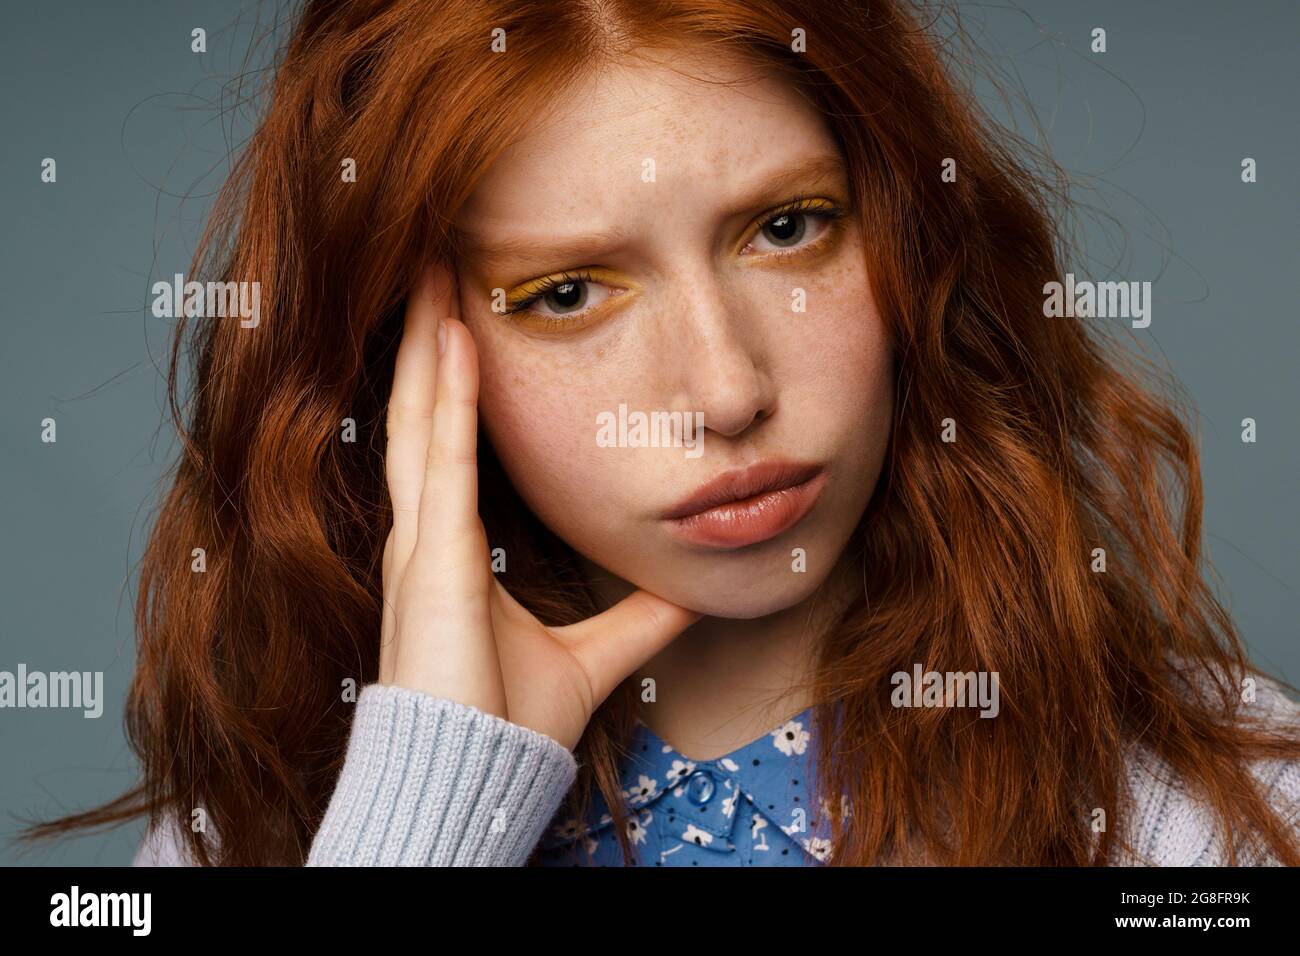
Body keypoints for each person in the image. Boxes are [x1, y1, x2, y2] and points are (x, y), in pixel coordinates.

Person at [28, 0, 1300, 867]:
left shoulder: (1219, 803)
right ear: (395, 352)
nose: (725, 387)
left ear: (907, 238)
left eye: (788, 227)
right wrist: (427, 799)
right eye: (568, 291)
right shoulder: (257, 827)